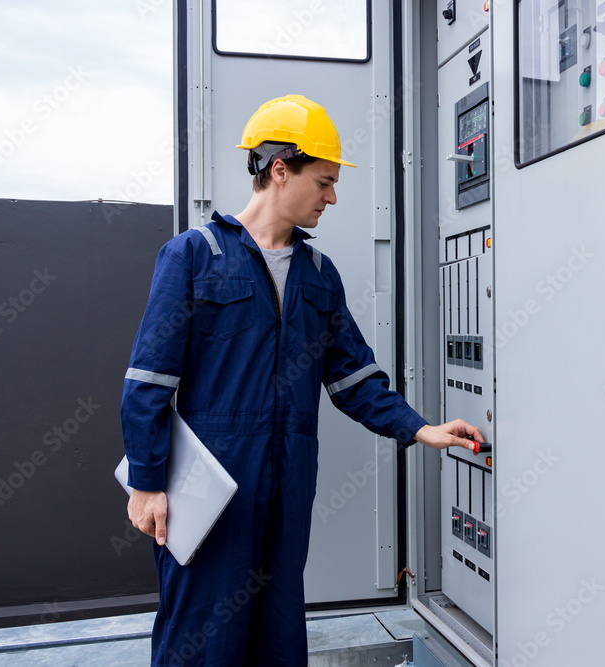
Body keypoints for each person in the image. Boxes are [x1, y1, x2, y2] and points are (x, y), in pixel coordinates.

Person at [121, 94, 484, 666]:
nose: (332, 197)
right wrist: (146, 483)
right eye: (323, 182)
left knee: (280, 638)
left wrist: (419, 429)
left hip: (288, 487)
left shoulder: (319, 274)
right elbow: (148, 381)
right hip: (209, 489)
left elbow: (354, 377)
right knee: (201, 640)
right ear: (279, 169)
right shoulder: (194, 256)